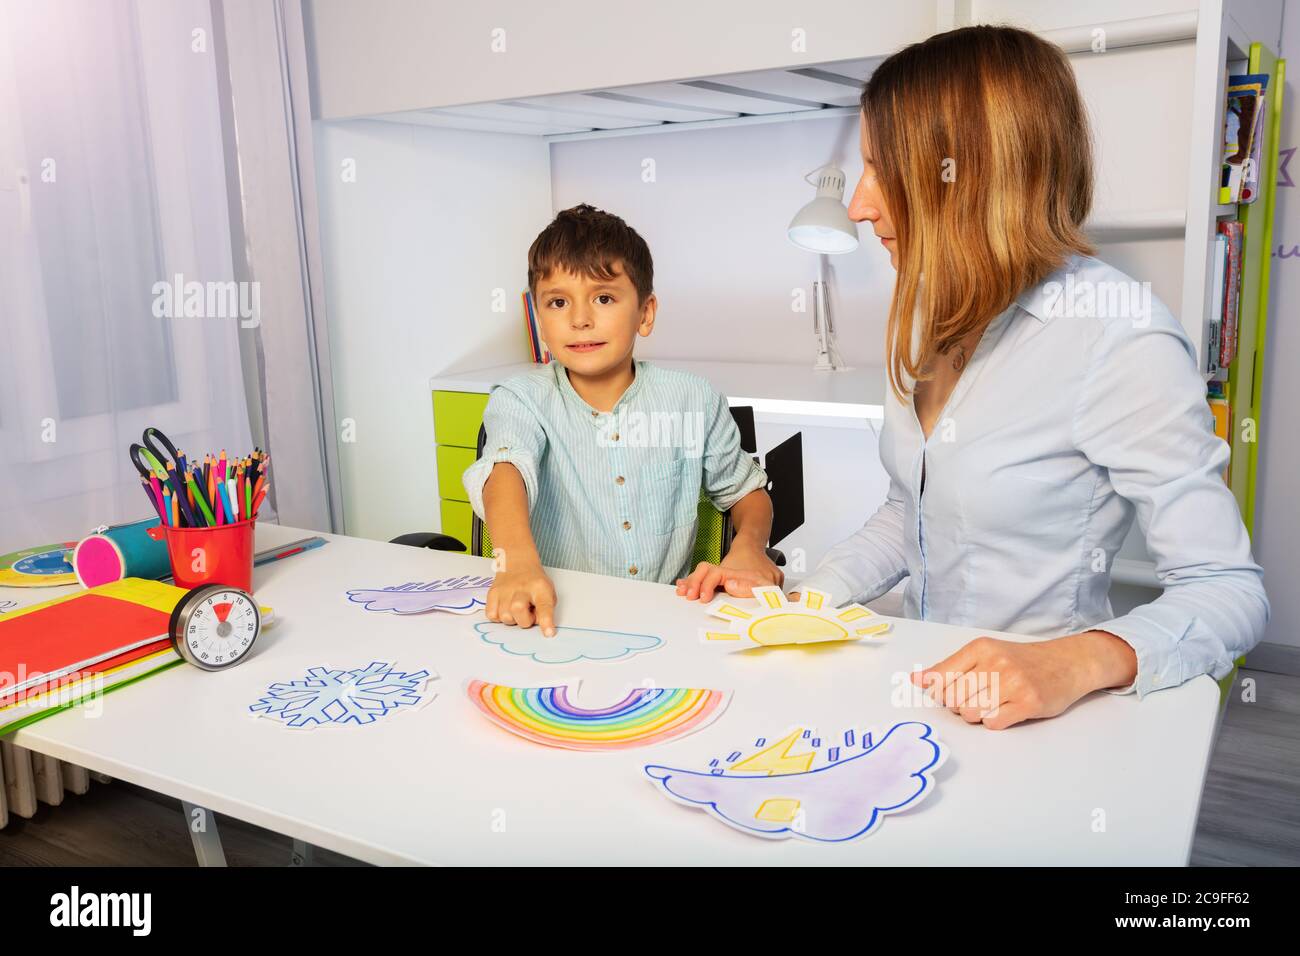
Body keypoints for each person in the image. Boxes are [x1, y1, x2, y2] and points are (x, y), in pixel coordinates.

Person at [678, 25, 1269, 729]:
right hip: (931, 688)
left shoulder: (1118, 334)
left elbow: (1228, 589)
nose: (861, 206)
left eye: (881, 170)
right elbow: (912, 514)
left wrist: (1074, 660)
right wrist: (801, 602)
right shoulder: (932, 310)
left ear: (970, 172)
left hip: (1047, 720)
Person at [463, 204, 782, 636]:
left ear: (645, 313)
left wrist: (748, 548)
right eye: (558, 302)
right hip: (552, 619)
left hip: (668, 622)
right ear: (539, 319)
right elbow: (505, 469)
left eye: (604, 298)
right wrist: (516, 565)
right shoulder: (521, 399)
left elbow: (747, 492)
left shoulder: (693, 399)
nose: (579, 319)